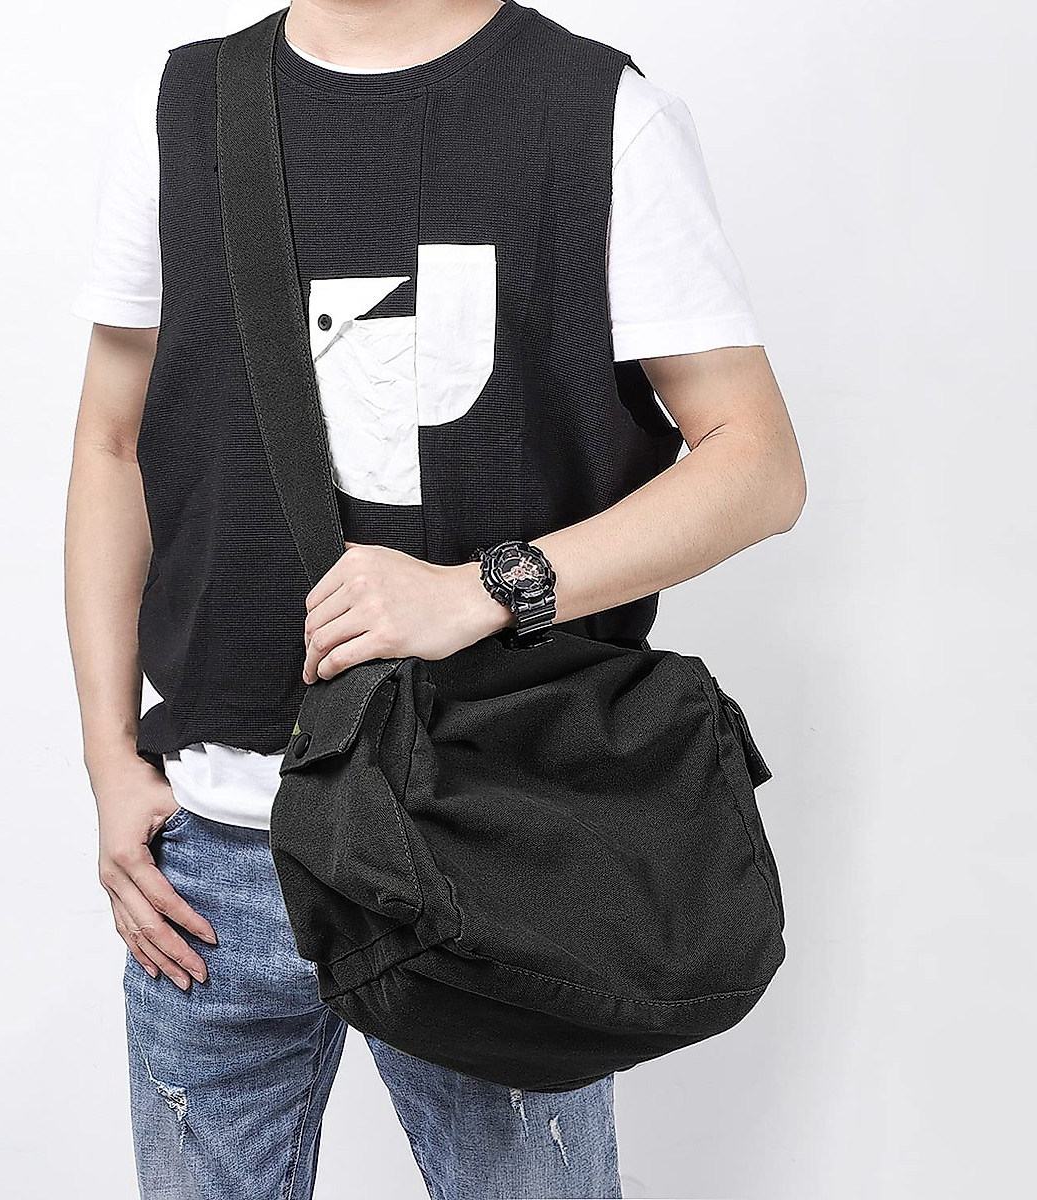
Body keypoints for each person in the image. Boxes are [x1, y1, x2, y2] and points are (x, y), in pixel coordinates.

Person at [64, 1, 805, 1196]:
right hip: (209, 858)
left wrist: (486, 591)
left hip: (486, 831)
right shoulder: (182, 109)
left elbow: (758, 464)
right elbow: (112, 443)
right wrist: (110, 759)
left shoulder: (598, 112)